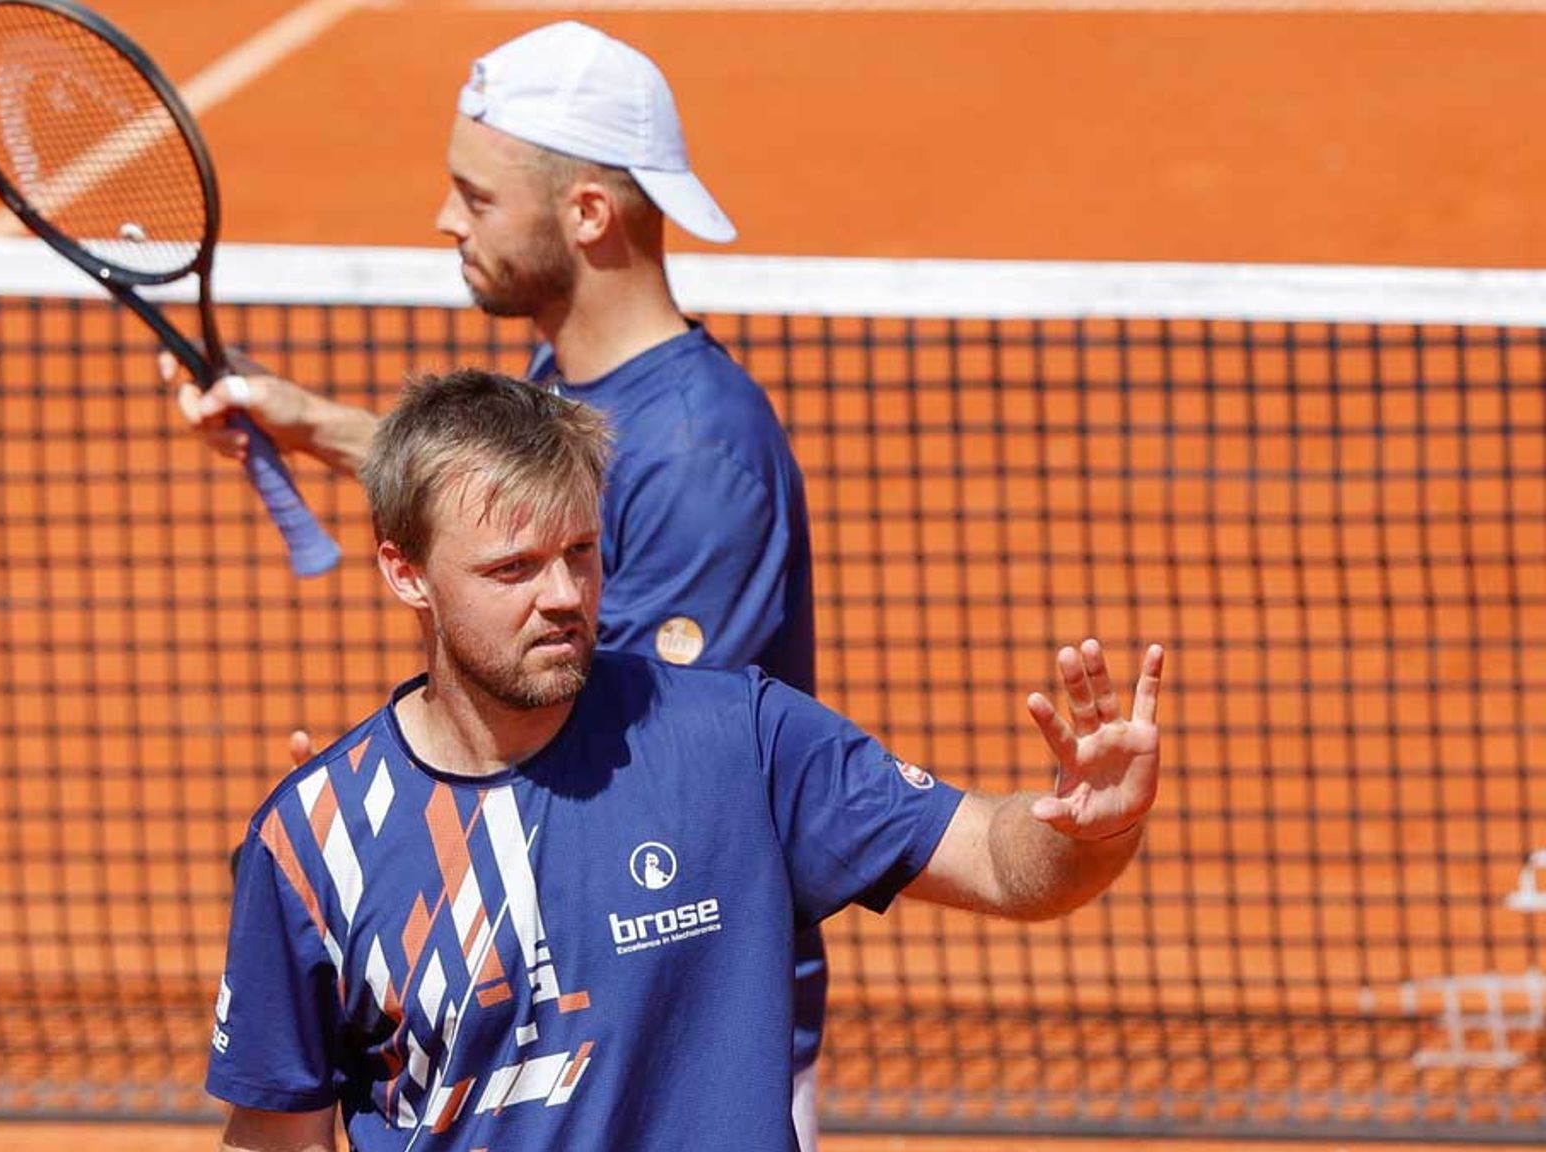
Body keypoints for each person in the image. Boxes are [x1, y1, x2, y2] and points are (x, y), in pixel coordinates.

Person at [207, 370, 1165, 1152]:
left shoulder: (736, 739)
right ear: (404, 571)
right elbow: (275, 1137)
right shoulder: (313, 841)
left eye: (580, 552)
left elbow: (1004, 862)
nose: (563, 596)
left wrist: (1094, 828)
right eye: (512, 569)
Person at [172, 21, 832, 1139]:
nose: (444, 219)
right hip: (542, 1021)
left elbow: (656, 766)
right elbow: (497, 497)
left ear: (584, 215)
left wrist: (364, 826)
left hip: (671, 1051)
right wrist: (311, 419)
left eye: (475, 198)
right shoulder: (579, 388)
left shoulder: (693, 461)